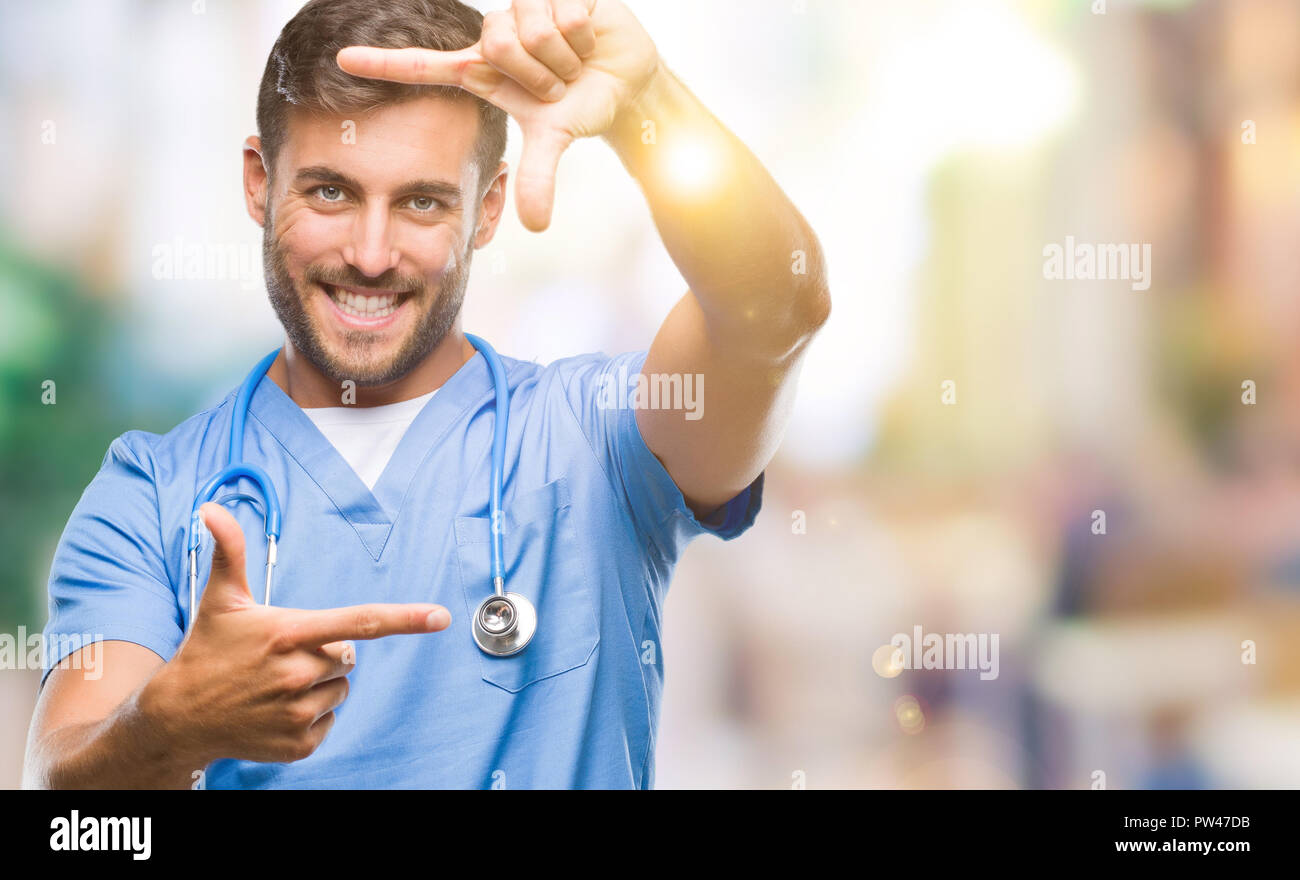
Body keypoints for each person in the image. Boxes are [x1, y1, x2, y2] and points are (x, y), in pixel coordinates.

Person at [23, 0, 829, 789]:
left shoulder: (602, 441)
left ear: (486, 210)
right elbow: (66, 814)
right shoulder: (149, 496)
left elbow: (780, 309)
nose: (372, 254)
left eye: (421, 202)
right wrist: (171, 728)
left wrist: (646, 104)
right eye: (331, 192)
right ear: (258, 184)